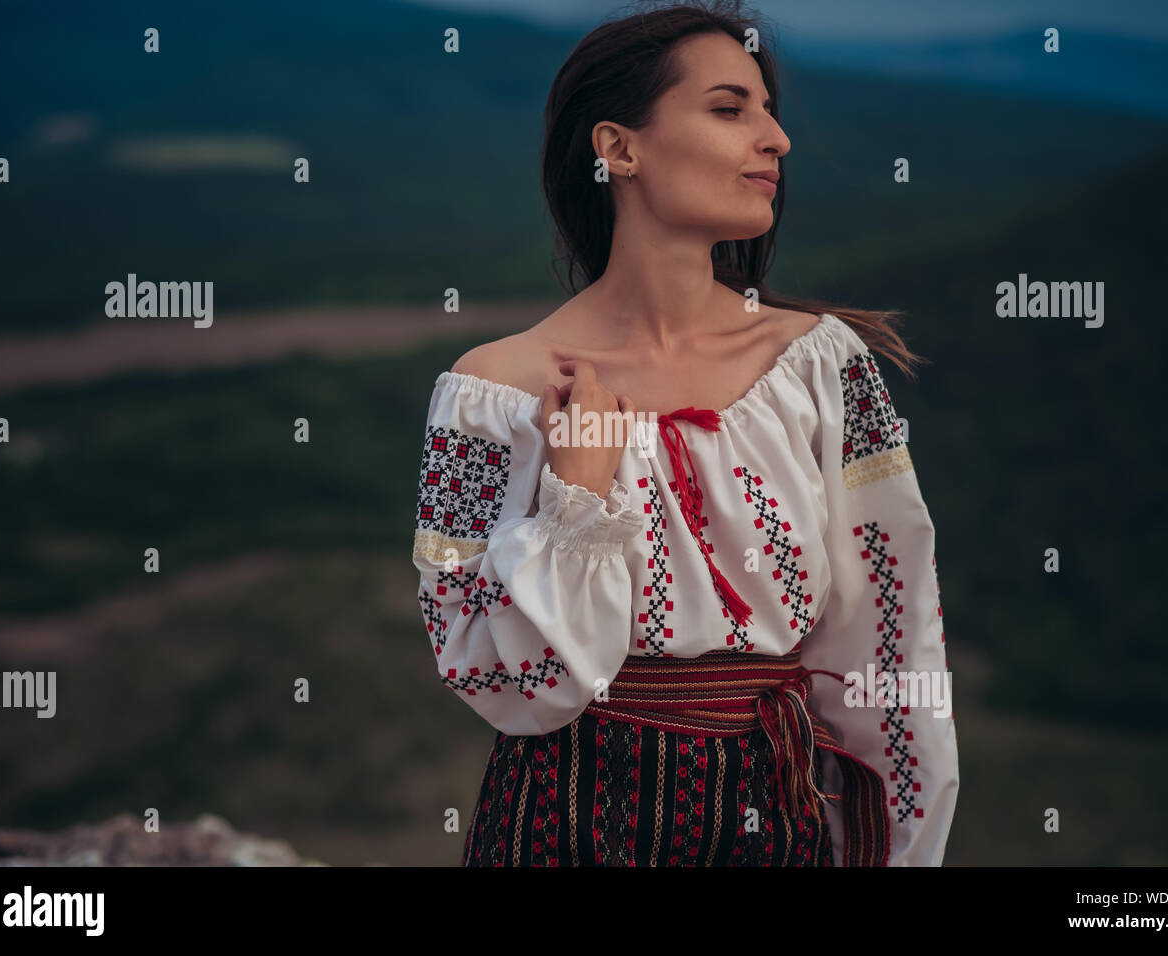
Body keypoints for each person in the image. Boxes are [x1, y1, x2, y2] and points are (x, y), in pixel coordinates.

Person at [411, 0, 959, 866]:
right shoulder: (490, 393)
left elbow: (891, 642)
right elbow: (488, 672)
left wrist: (896, 849)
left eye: (770, 111)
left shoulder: (822, 368)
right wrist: (577, 499)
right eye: (731, 108)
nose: (776, 138)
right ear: (618, 148)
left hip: (774, 809)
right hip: (558, 818)